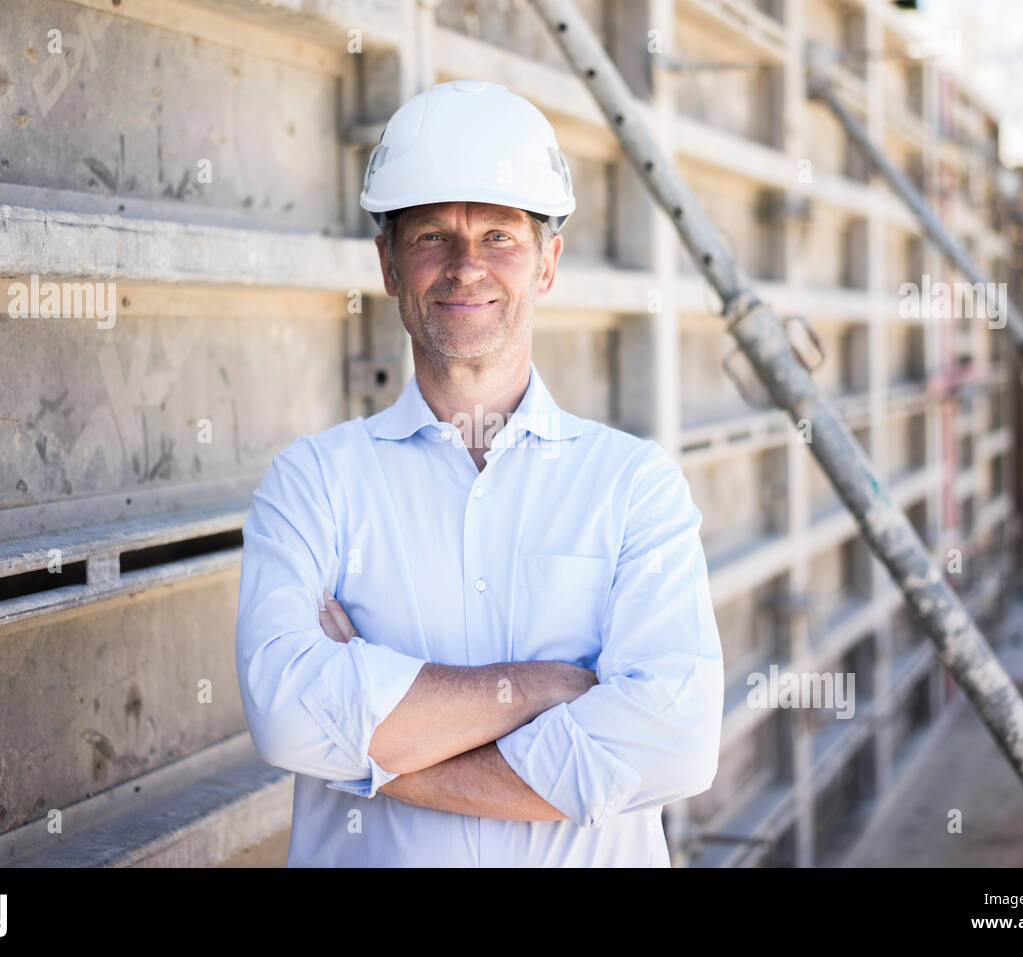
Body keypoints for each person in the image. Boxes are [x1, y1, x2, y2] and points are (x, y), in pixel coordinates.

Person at [235, 79, 724, 866]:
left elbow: (672, 743)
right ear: (389, 265)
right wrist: (546, 686)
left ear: (547, 263)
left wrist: (376, 757)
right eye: (432, 237)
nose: (466, 267)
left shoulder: (634, 485)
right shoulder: (313, 483)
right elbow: (289, 720)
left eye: (499, 236)